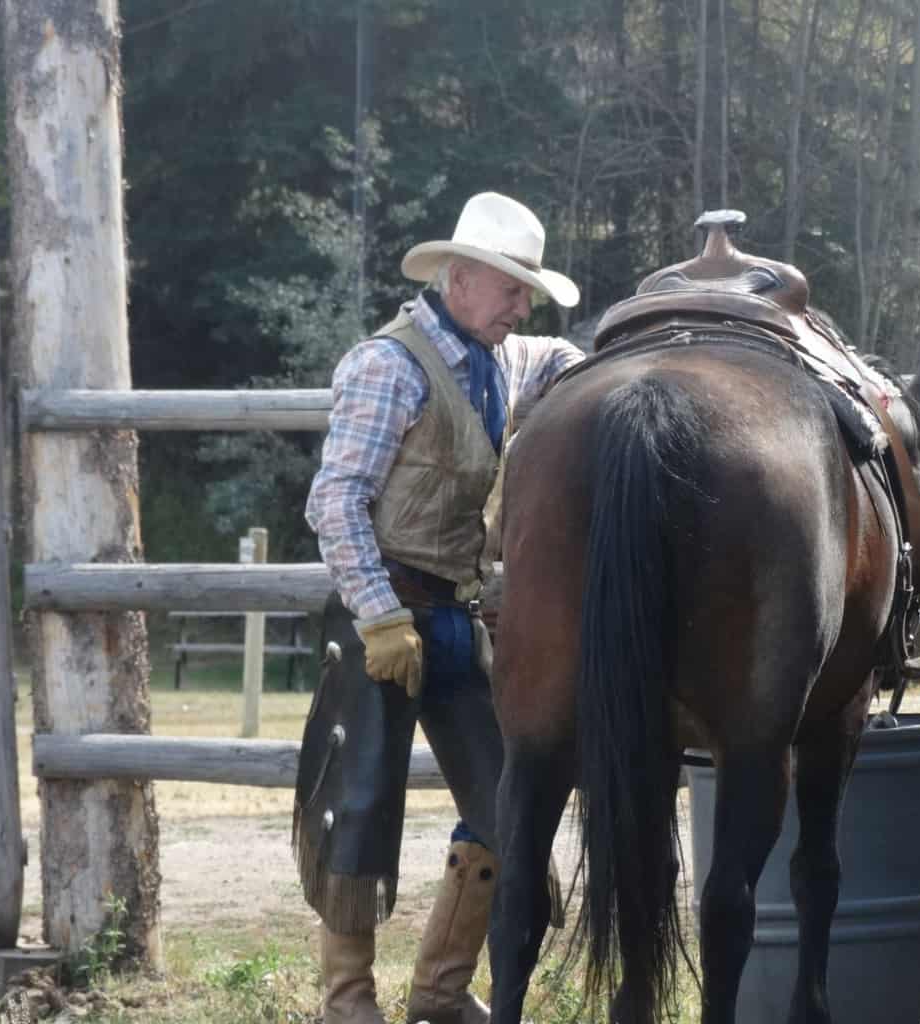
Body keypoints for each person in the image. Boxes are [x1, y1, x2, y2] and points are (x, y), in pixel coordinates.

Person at [294, 191, 584, 1024]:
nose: (521, 306)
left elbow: (561, 356)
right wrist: (380, 617)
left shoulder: (503, 355)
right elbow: (337, 500)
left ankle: (440, 996)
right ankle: (346, 1004)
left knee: (506, 802)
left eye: (526, 293)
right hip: (378, 613)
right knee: (357, 809)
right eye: (511, 289)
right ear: (461, 280)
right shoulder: (387, 366)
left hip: (453, 619)